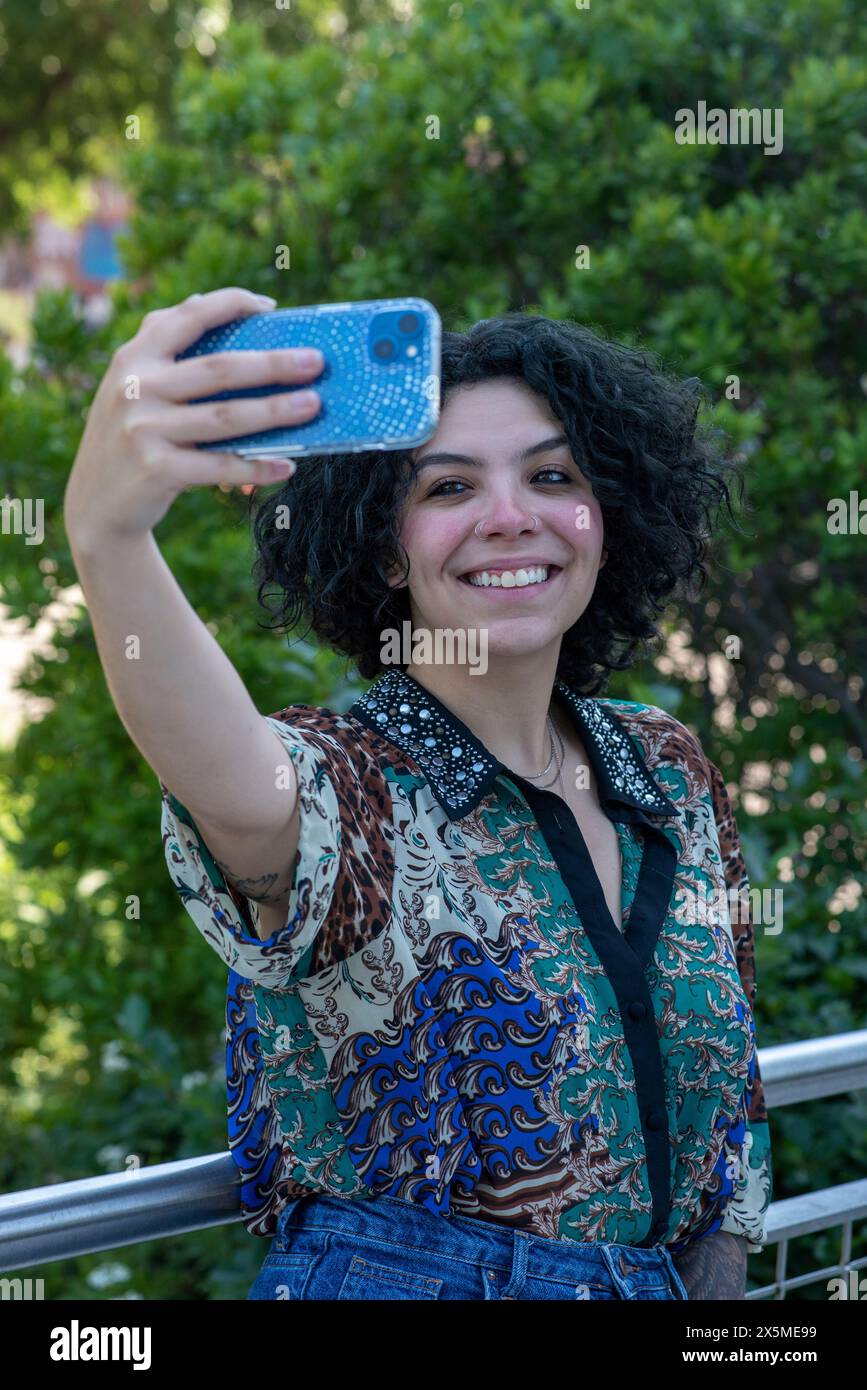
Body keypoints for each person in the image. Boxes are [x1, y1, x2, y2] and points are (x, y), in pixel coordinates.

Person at [64, 287, 773, 1301]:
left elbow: (732, 1105)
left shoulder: (670, 773)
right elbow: (227, 774)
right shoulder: (343, 784)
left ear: (605, 522)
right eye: (448, 488)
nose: (509, 516)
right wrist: (110, 538)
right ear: (390, 548)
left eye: (552, 474)